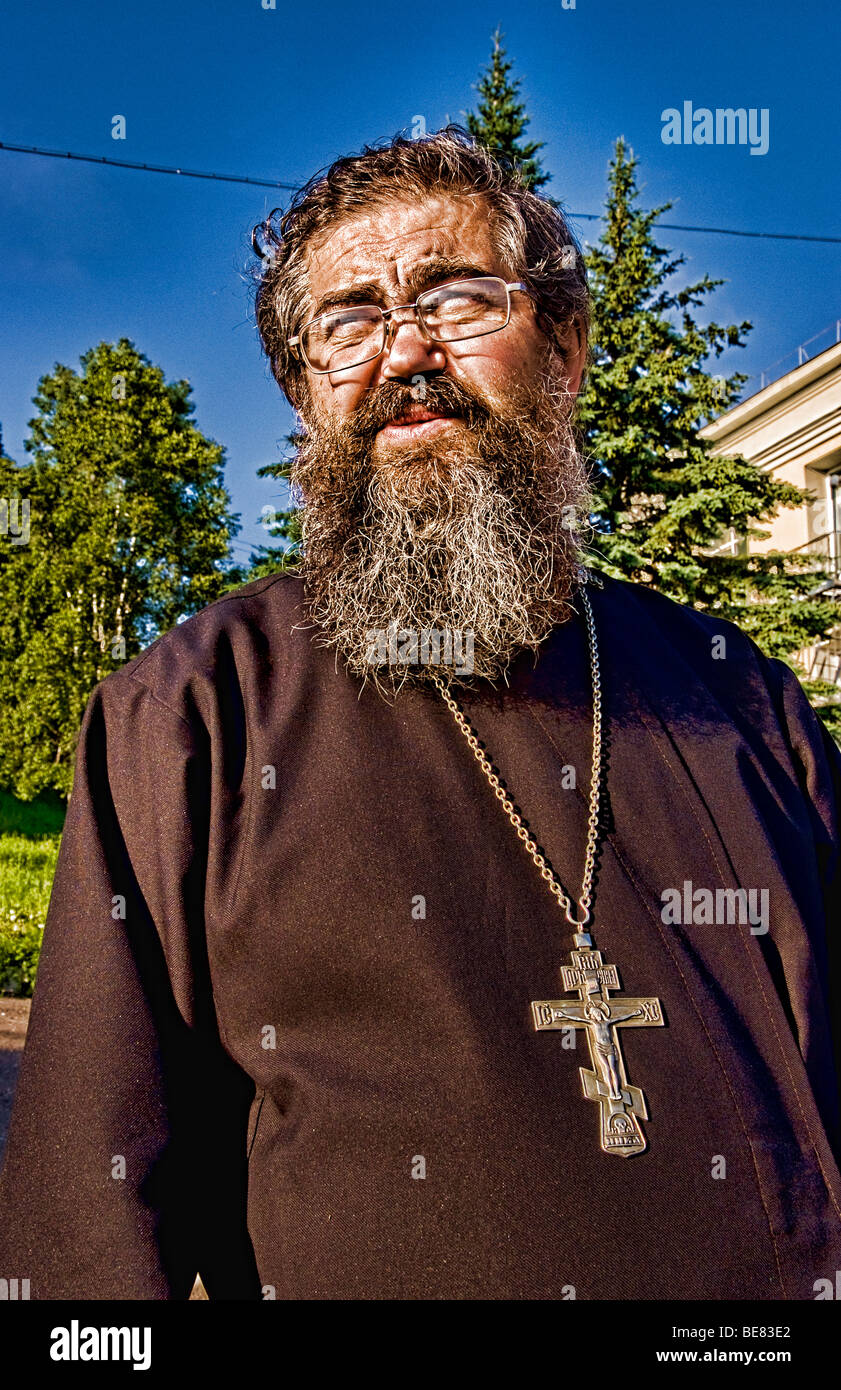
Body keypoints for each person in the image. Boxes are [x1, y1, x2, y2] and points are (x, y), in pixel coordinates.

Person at [1, 127, 840, 1301]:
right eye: (346, 321)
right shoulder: (191, 717)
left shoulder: (740, 697)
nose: (405, 350)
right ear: (305, 398)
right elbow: (86, 1228)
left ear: (563, 351)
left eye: (456, 298)